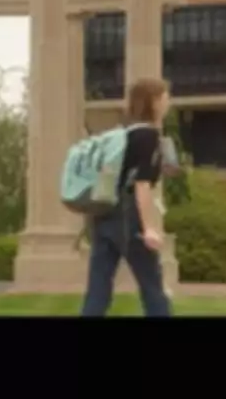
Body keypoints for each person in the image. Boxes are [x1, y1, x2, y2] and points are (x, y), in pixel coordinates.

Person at [80, 77, 172, 317]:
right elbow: (141, 186)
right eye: (164, 97)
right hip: (129, 218)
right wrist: (149, 227)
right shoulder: (149, 137)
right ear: (153, 102)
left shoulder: (122, 136)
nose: (167, 102)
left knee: (98, 291)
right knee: (153, 289)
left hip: (103, 213)